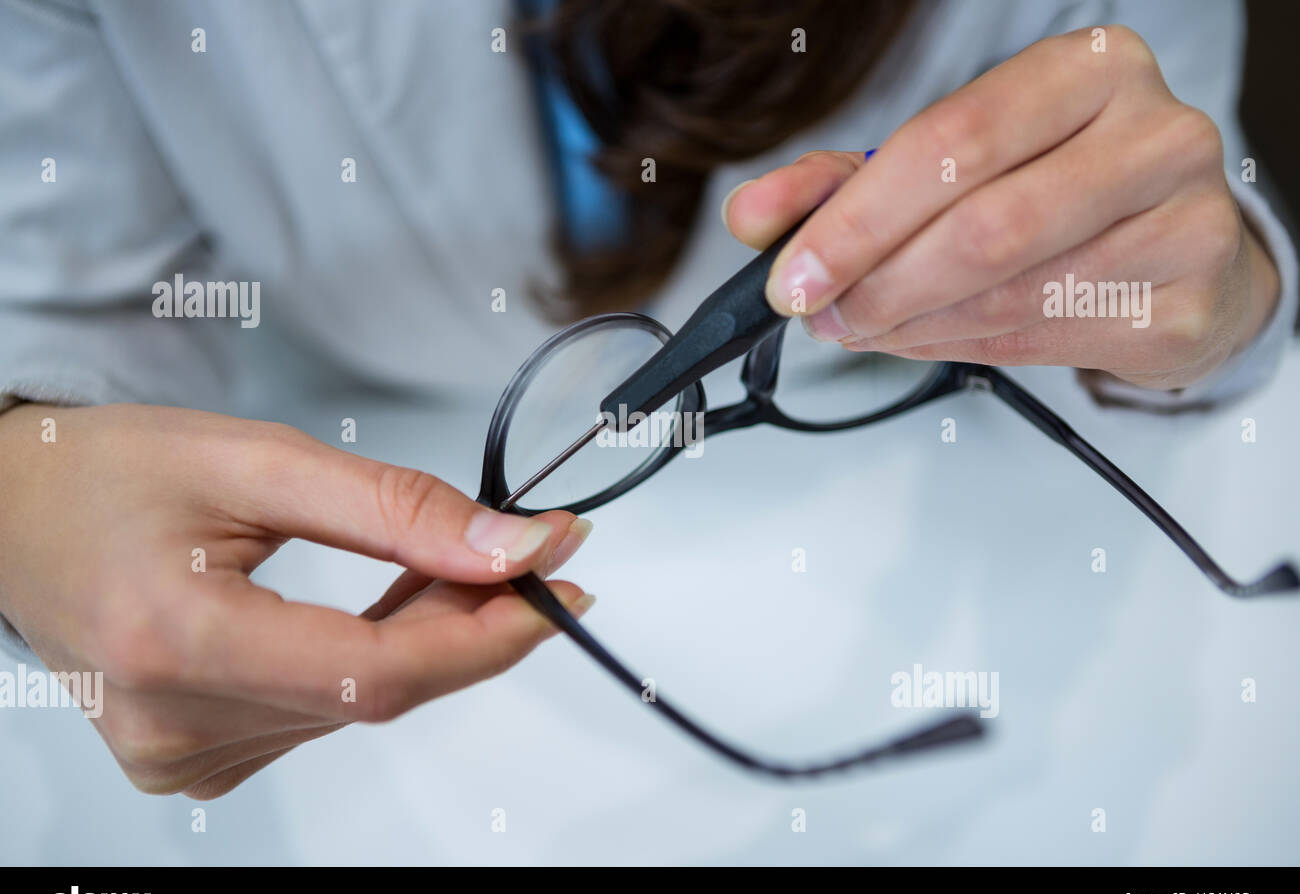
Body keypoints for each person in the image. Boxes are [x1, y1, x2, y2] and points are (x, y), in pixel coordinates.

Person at [0, 0, 1293, 802]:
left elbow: (1174, 210)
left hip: (947, 519)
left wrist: (1217, 297)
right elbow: (52, 288)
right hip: (321, 423)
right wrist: (26, 473)